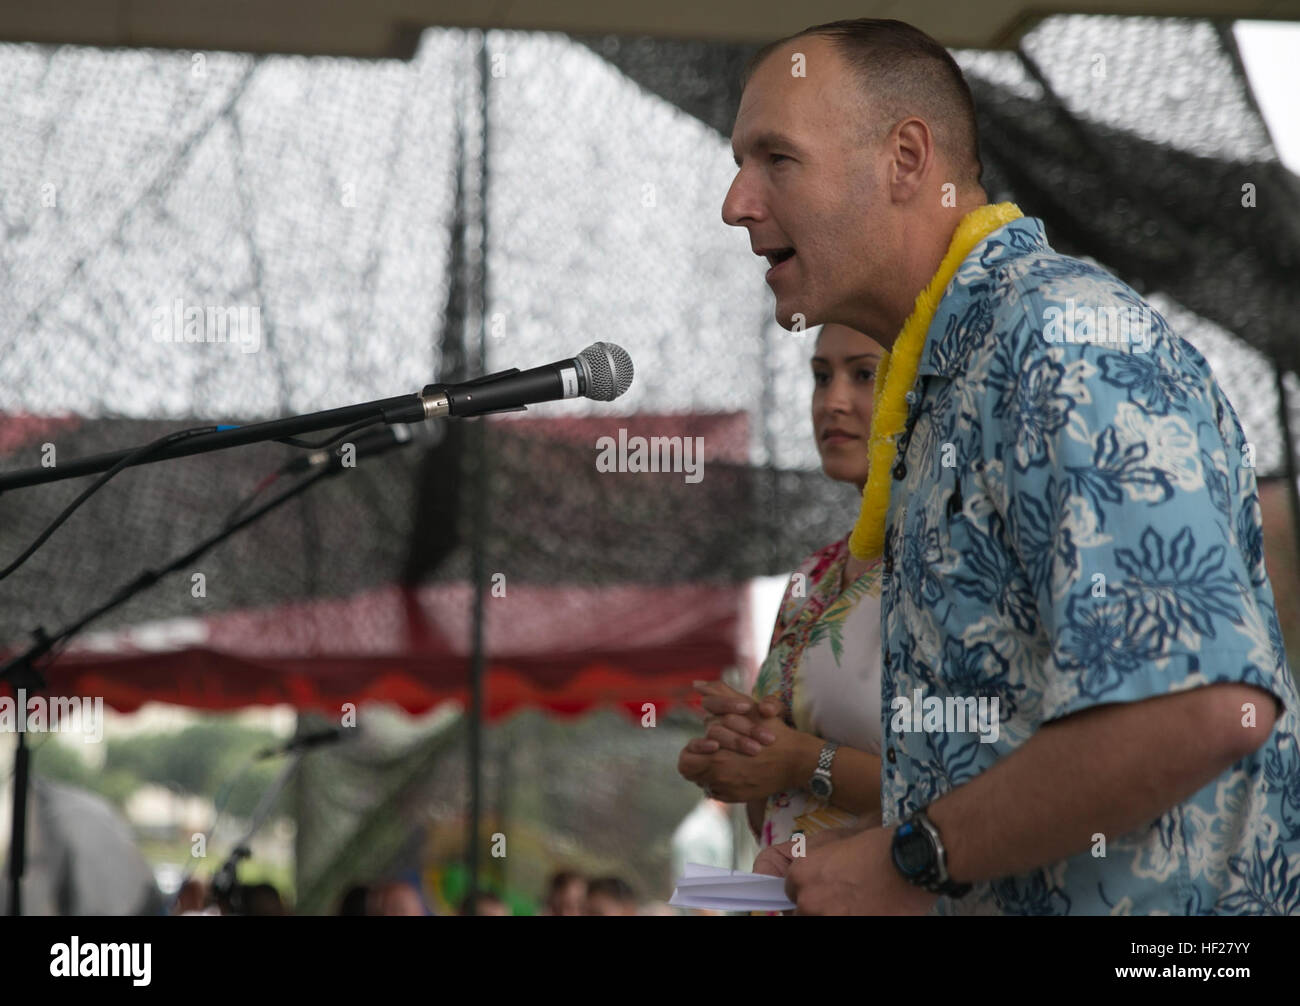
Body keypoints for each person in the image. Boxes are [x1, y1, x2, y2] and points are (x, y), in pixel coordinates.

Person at [724, 18, 1300, 915]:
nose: (737, 202)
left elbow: (1198, 705)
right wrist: (862, 860)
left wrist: (913, 859)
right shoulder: (947, 385)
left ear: (906, 159)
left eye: (775, 159)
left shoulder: (1058, 341)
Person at [676, 324, 887, 853]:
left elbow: (979, 788)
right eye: (821, 377)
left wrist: (802, 760)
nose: (833, 402)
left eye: (863, 375)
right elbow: (769, 813)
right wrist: (742, 747)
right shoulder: (812, 577)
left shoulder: (956, 561)